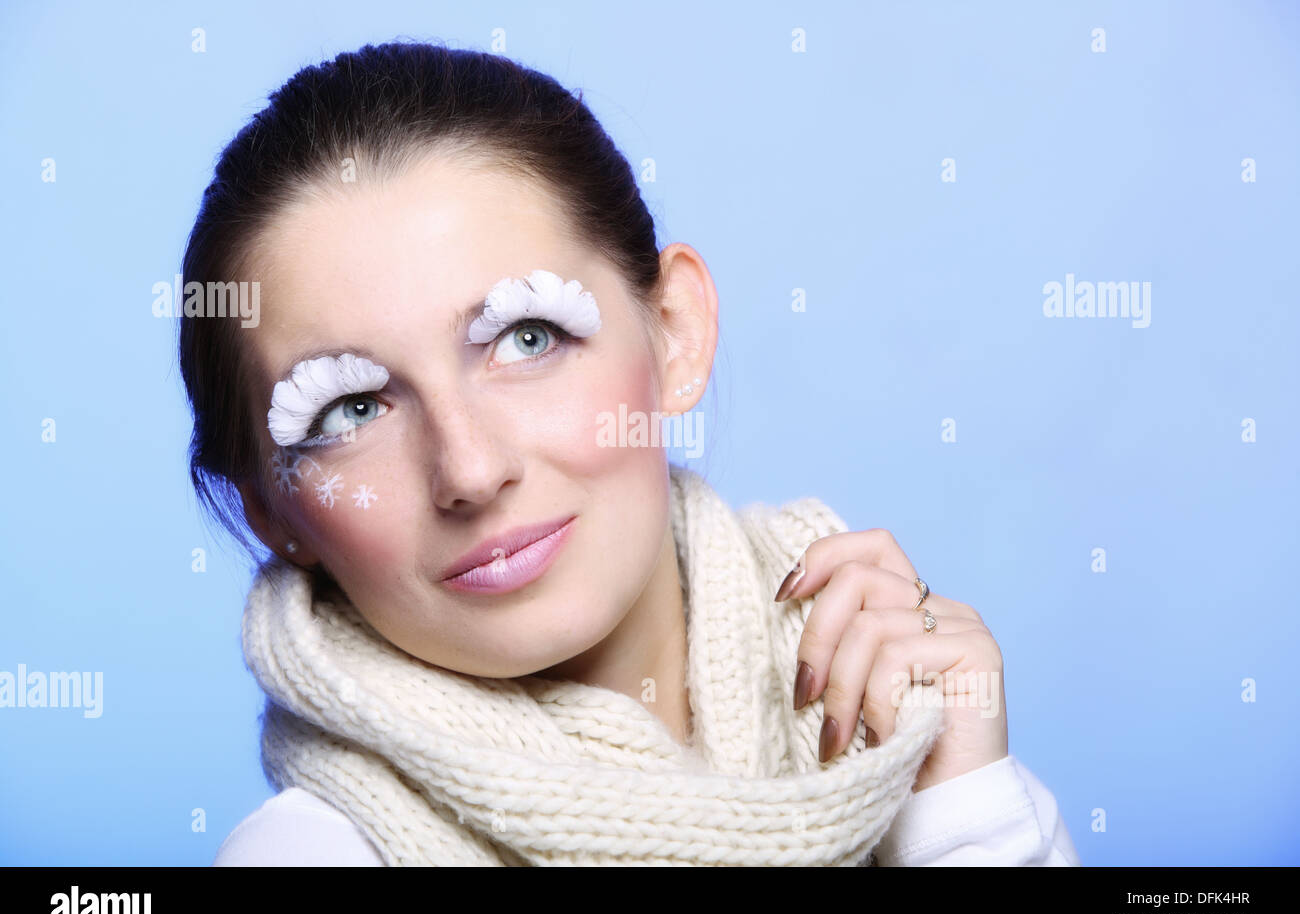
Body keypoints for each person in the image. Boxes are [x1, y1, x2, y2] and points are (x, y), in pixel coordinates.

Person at [181, 41, 1080, 866]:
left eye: (527, 339)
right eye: (352, 408)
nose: (468, 470)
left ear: (675, 332)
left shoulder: (923, 751)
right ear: (271, 508)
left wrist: (967, 820)